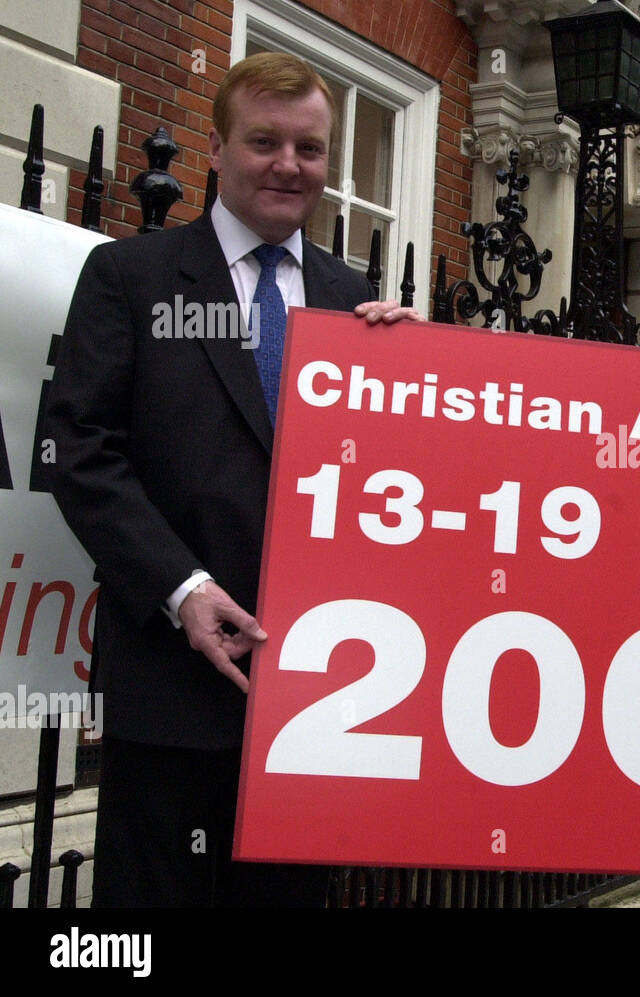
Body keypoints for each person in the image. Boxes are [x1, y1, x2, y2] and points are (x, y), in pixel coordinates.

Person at [44, 51, 420, 906]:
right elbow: (81, 450)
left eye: (309, 149)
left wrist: (414, 375)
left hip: (316, 694)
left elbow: (386, 482)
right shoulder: (130, 278)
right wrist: (182, 588)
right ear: (216, 149)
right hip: (170, 686)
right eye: (264, 142)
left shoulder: (354, 299)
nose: (289, 165)